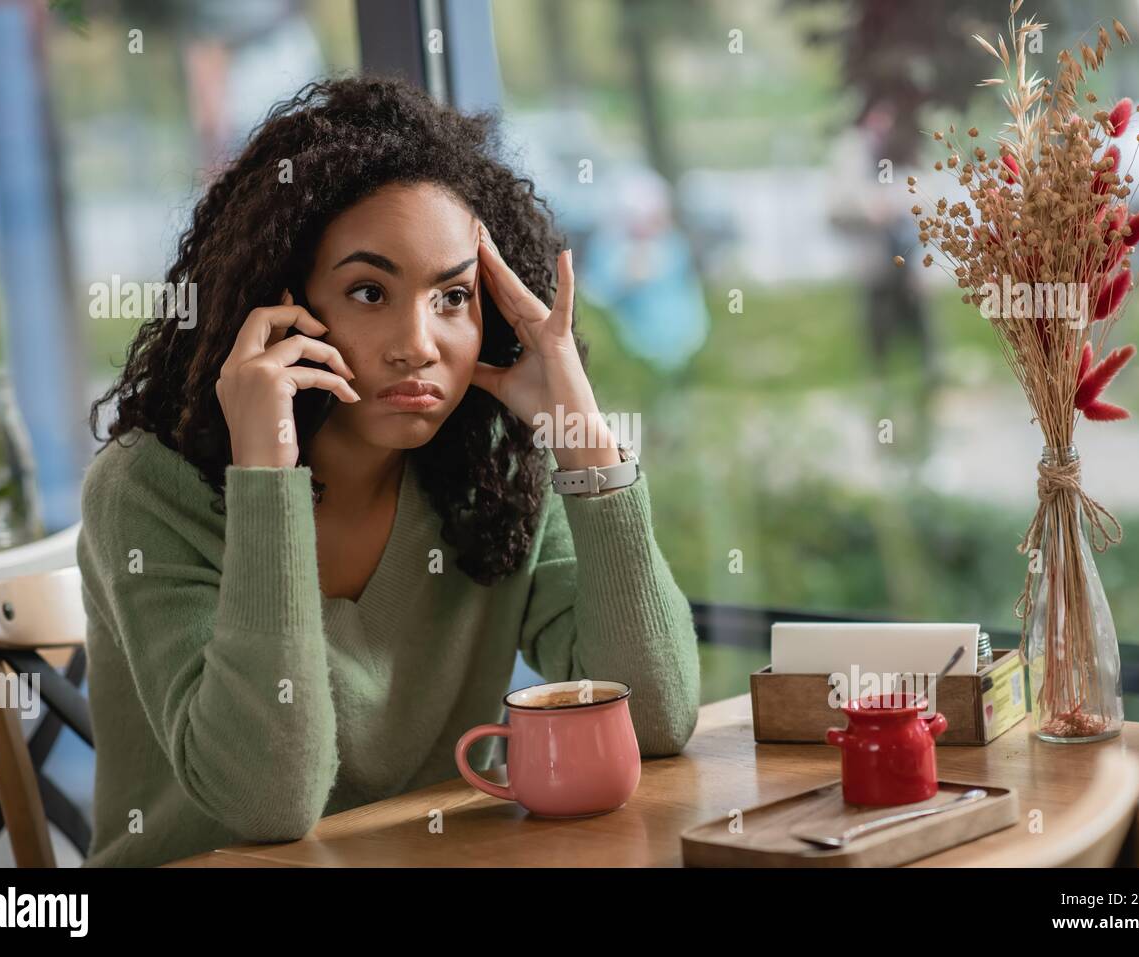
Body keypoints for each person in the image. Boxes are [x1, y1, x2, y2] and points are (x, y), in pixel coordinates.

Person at [78, 76, 700, 867]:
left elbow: (654, 714)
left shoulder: (495, 468)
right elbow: (269, 802)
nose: (419, 343)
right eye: (370, 291)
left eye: (452, 297)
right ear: (280, 303)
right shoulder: (148, 489)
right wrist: (266, 478)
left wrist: (581, 435)